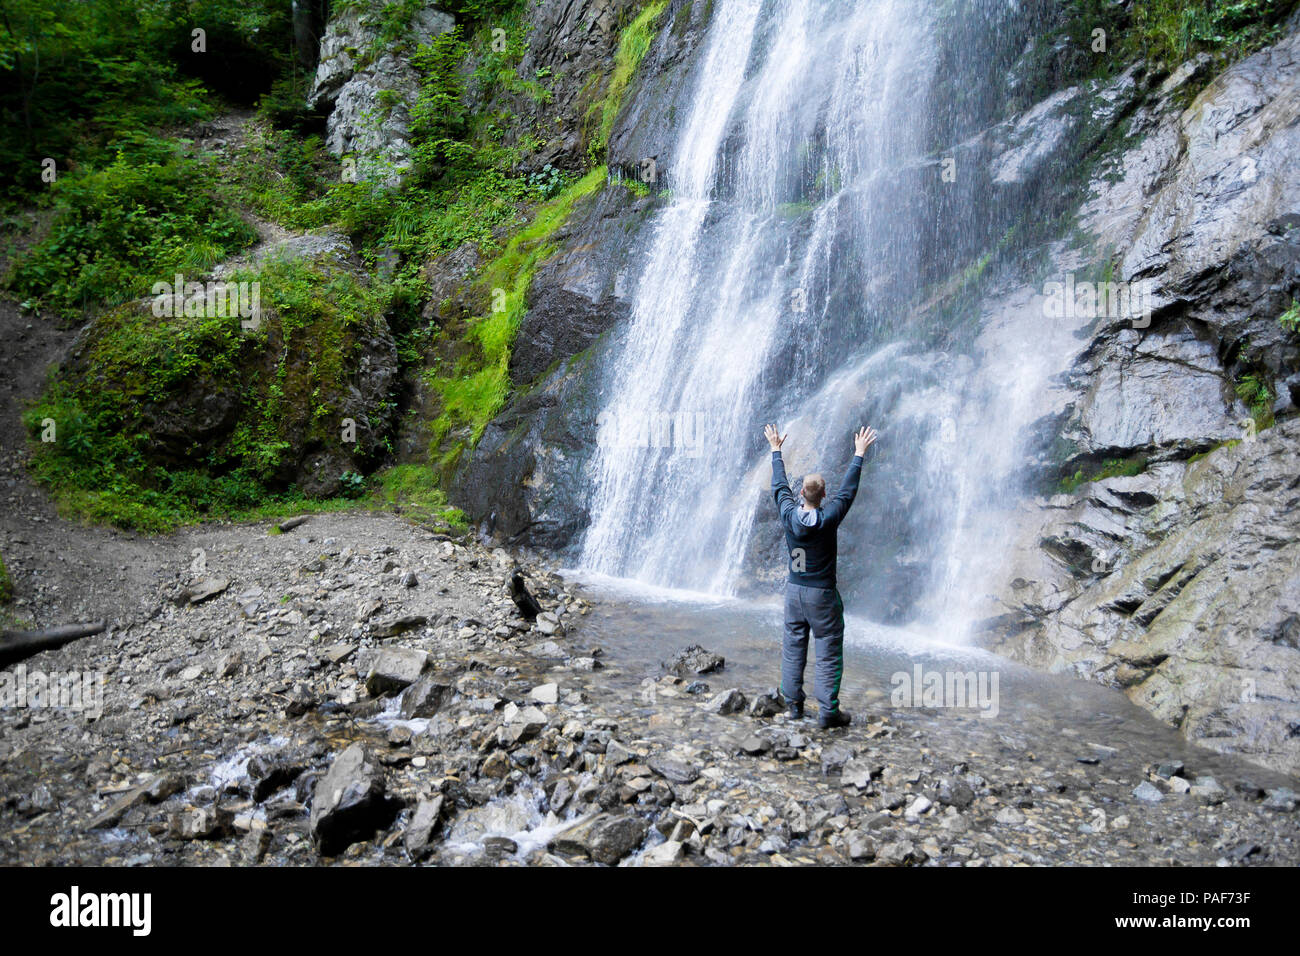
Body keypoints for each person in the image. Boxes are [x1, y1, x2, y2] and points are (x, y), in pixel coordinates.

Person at [764, 423, 877, 729]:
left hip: (794, 591)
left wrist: (776, 450)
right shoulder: (828, 518)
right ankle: (828, 712)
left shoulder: (788, 513)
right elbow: (849, 491)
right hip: (821, 595)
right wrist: (859, 453)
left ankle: (794, 706)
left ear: (801, 492)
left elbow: (778, 486)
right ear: (824, 494)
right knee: (828, 650)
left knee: (793, 644)